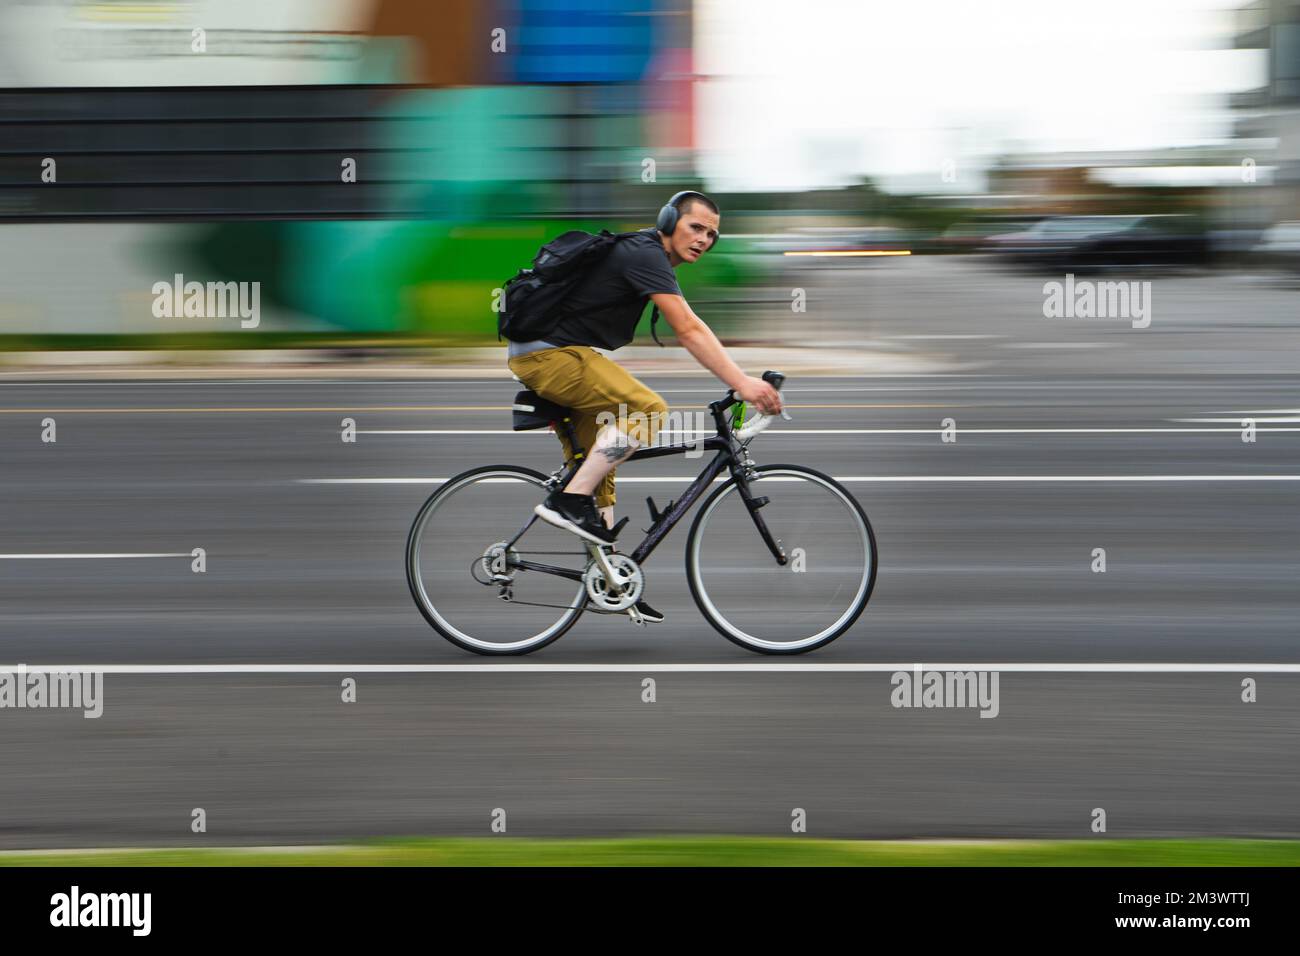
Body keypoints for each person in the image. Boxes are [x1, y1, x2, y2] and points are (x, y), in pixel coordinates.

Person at [505, 190, 783, 623]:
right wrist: (742, 382)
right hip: (548, 355)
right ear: (669, 220)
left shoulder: (645, 254)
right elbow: (689, 328)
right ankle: (566, 502)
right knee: (649, 409)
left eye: (712, 234)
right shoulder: (645, 253)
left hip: (556, 352)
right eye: (696, 227)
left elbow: (692, 326)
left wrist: (738, 379)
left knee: (601, 460)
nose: (704, 239)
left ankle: (612, 579)